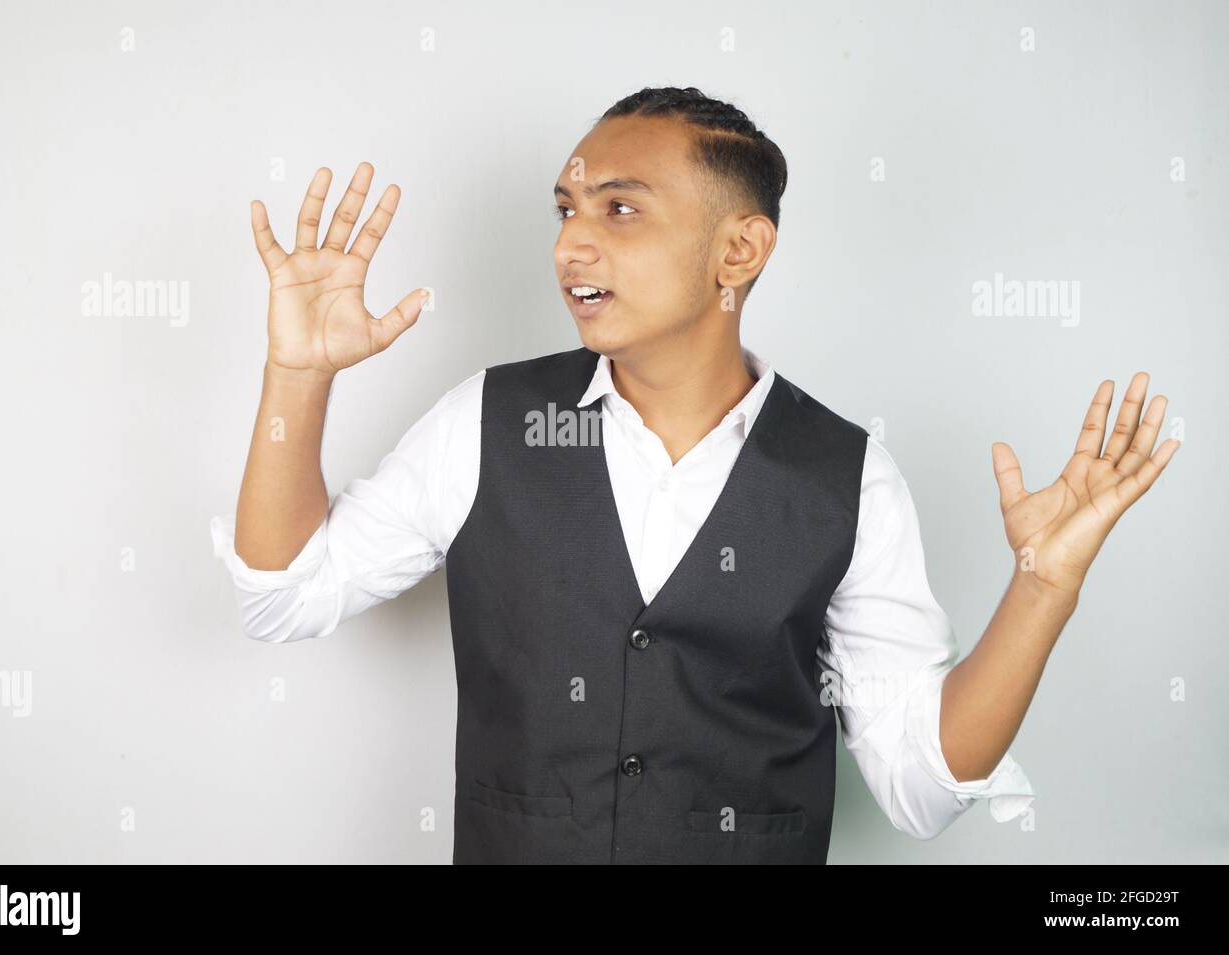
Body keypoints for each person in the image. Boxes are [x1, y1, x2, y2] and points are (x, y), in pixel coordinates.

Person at [210, 86, 1179, 864]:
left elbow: (920, 789)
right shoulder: (486, 421)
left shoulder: (847, 477)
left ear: (740, 249)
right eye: (565, 209)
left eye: (618, 208)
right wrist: (296, 377)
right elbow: (283, 593)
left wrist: (1042, 586)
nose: (569, 245)